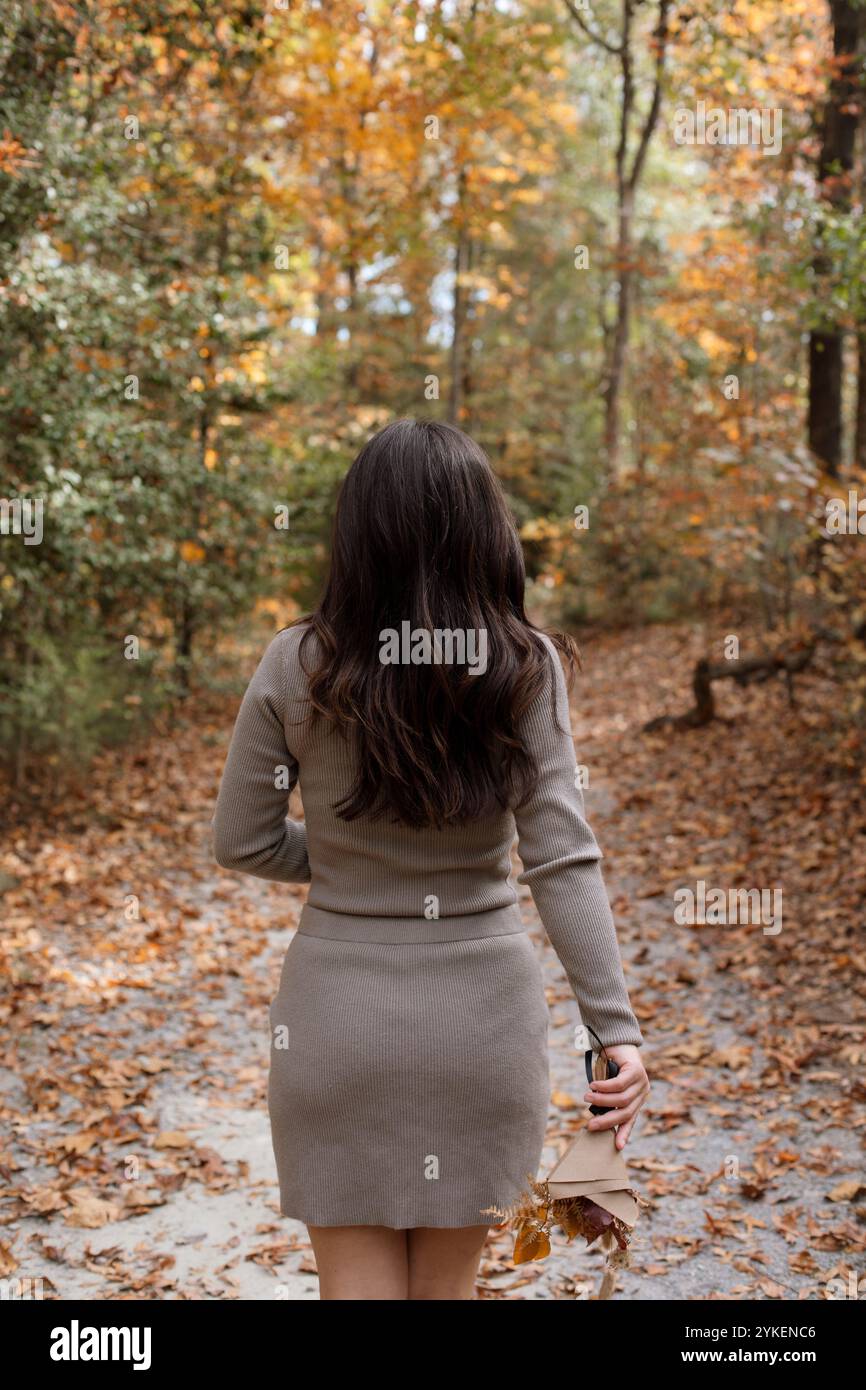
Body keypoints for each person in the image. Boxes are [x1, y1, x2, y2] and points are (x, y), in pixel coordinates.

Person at [212, 417, 649, 1300]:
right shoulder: (525, 669)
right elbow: (560, 857)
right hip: (481, 1032)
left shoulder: (295, 665)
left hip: (335, 1026)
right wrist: (616, 1028)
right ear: (485, 533)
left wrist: (343, 863)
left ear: (356, 534)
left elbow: (242, 839)